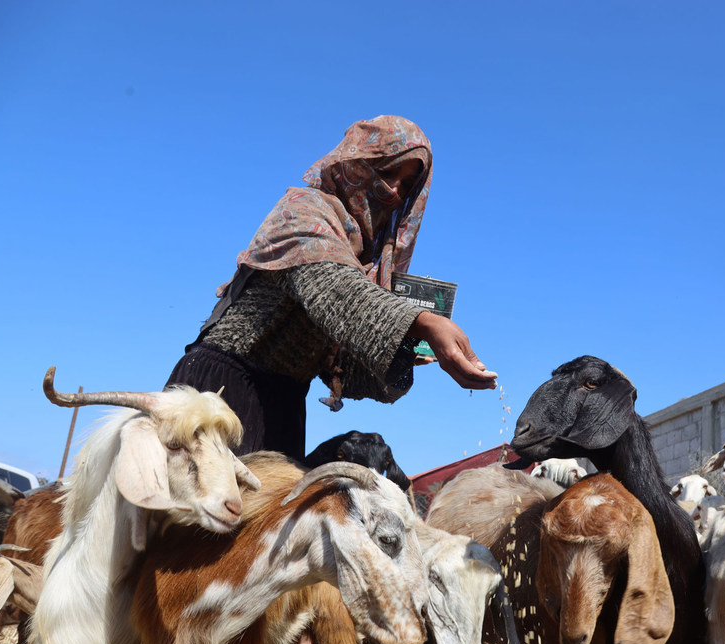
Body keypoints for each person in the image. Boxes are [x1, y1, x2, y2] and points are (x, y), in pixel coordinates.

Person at [166, 115, 497, 461]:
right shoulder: (303, 212)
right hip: (219, 392)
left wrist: (407, 350)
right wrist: (424, 323)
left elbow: (347, 372)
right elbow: (336, 292)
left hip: (284, 405)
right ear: (356, 164)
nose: (395, 191)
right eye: (387, 173)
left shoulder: (366, 261)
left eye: (408, 184)